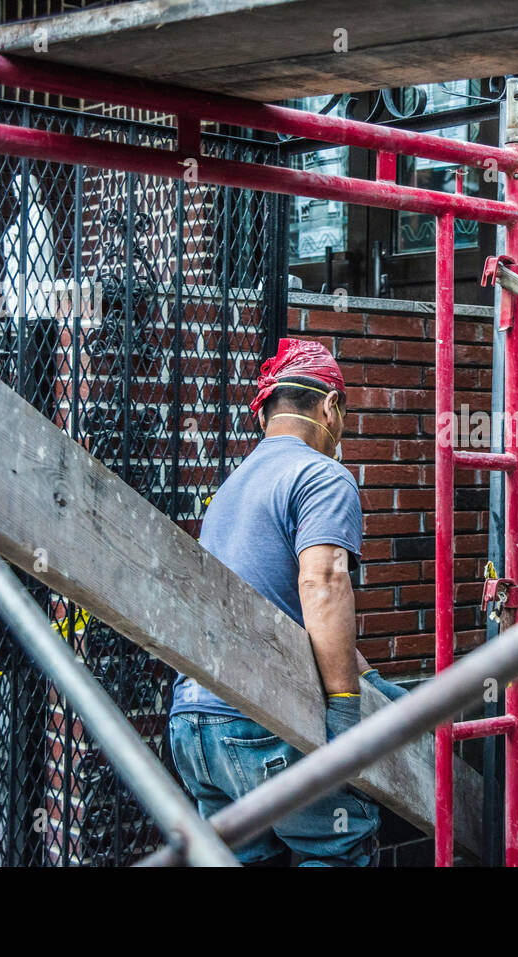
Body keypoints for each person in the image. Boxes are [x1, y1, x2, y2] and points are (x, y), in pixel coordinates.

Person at [167, 338, 405, 867]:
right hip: (263, 728)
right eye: (341, 416)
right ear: (329, 407)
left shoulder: (232, 488)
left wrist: (375, 687)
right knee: (334, 850)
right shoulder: (322, 476)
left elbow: (292, 614)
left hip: (196, 728)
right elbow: (322, 583)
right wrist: (345, 710)